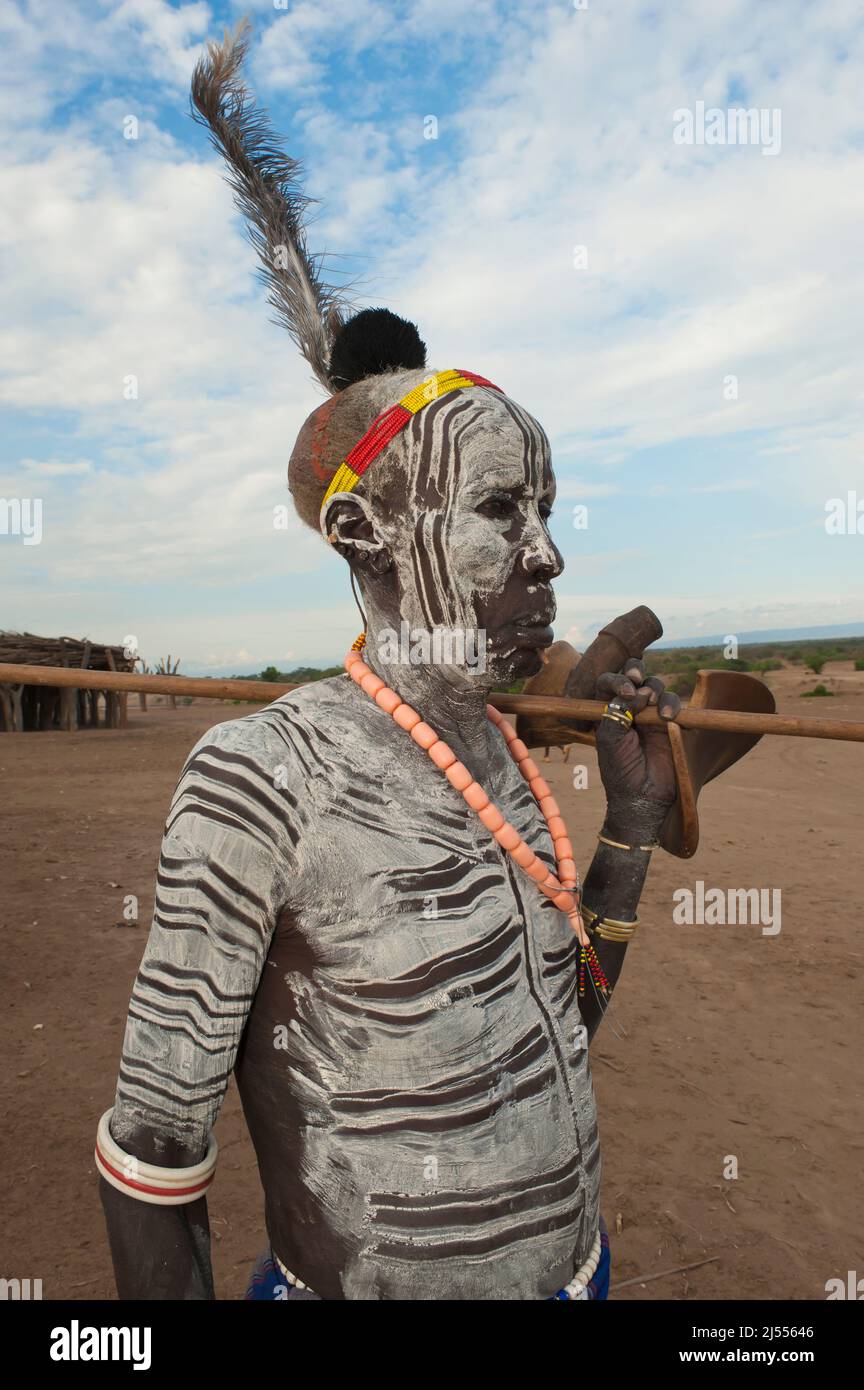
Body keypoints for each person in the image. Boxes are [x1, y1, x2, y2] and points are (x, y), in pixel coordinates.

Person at [96, 24, 681, 1301]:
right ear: (363, 532)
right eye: (500, 514)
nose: (551, 557)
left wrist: (629, 827)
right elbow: (148, 1160)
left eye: (547, 509)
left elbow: (551, 1041)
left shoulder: (503, 751)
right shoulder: (264, 781)